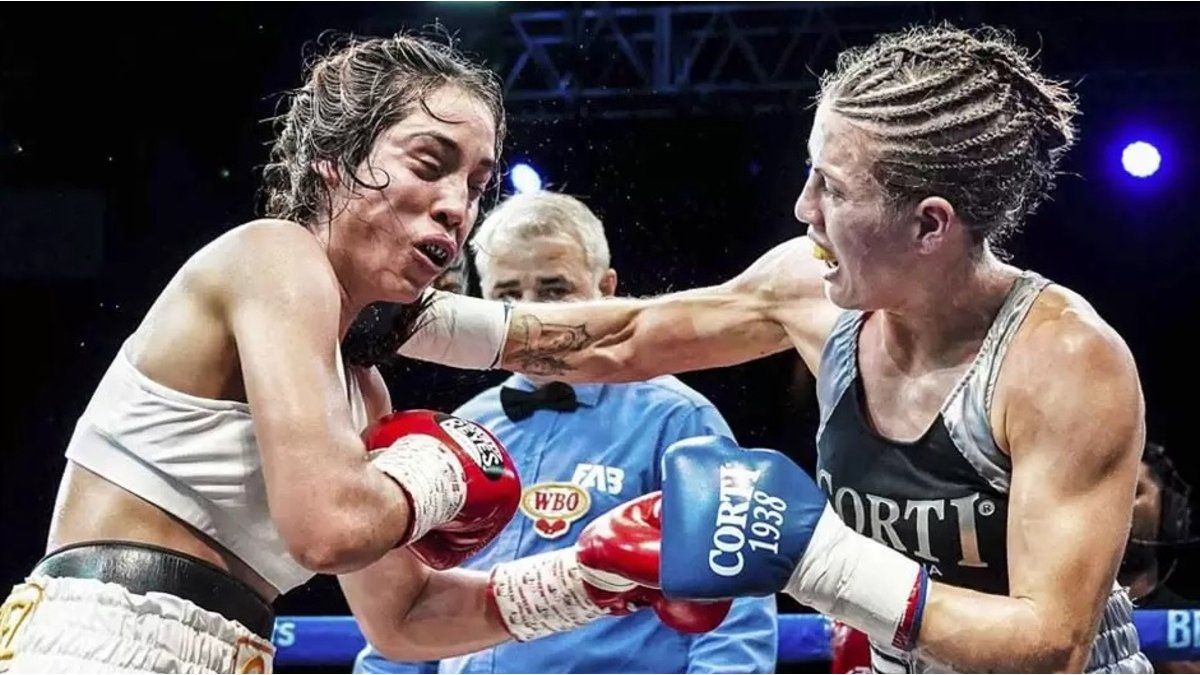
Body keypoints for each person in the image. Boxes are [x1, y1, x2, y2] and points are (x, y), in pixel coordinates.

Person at [382, 23, 1151, 672]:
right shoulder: (808, 287)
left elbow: (1053, 640)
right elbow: (628, 336)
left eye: (835, 189)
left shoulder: (1063, 360)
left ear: (930, 225)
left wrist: (819, 563)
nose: (803, 206)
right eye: (809, 171)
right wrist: (409, 318)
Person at [0, 34, 724, 674]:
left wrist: (590, 579)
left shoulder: (362, 388)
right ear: (335, 161)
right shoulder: (272, 255)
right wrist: (442, 467)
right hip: (99, 638)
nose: (455, 204)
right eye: (430, 162)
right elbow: (330, 526)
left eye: (474, 185)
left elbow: (404, 619)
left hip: (234, 647)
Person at [353, 191, 778, 675]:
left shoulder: (677, 421)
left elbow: (734, 606)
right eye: (507, 295)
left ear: (606, 290)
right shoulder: (461, 429)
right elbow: (412, 598)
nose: (532, 316)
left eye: (554, 291)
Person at [1119, 441, 1199, 673]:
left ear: (1169, 513)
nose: (1111, 506)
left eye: (1131, 491)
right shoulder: (1049, 619)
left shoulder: (1190, 622)